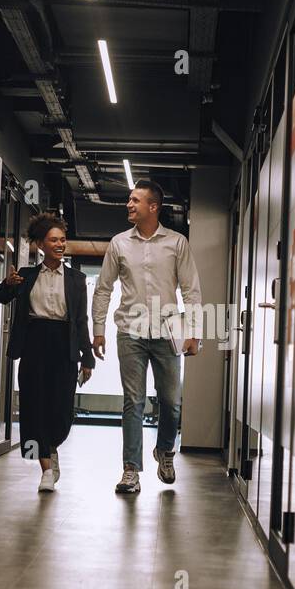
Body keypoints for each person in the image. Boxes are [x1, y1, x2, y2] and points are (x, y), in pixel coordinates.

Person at [92, 179, 202, 494]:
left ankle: (165, 451)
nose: (129, 205)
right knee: (133, 402)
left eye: (135, 200)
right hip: (130, 331)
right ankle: (130, 470)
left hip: (169, 331)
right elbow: (103, 288)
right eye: (129, 200)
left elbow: (191, 290)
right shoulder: (118, 243)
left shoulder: (177, 242)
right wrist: (98, 330)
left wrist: (193, 332)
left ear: (153, 207)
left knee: (171, 402)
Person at [0, 213, 95, 492]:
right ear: (40, 244)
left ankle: (52, 445)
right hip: (34, 343)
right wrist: (8, 285)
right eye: (54, 240)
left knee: (61, 409)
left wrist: (87, 358)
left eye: (63, 239)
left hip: (64, 344)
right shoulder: (25, 276)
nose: (60, 244)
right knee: (34, 405)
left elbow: (81, 320)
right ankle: (46, 469)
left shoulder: (76, 279)